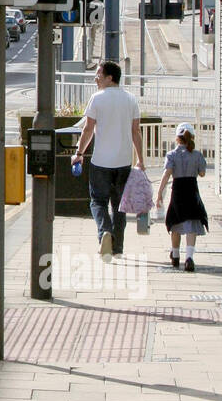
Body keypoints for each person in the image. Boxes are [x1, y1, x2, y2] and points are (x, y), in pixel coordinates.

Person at [72, 60, 143, 259]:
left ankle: (104, 232)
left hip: (100, 161)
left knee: (97, 202)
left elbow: (87, 130)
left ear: (110, 78)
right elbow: (136, 131)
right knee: (119, 206)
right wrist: (141, 160)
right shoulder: (131, 99)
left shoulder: (97, 98)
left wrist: (79, 154)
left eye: (99, 75)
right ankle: (118, 248)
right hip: (123, 162)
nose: (96, 78)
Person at [155, 122, 207, 272]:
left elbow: (166, 174)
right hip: (192, 190)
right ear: (192, 137)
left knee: (175, 221)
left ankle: (176, 255)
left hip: (177, 191)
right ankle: (189, 257)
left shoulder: (171, 155)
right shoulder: (197, 155)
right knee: (192, 221)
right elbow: (202, 173)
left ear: (177, 138)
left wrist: (159, 193)